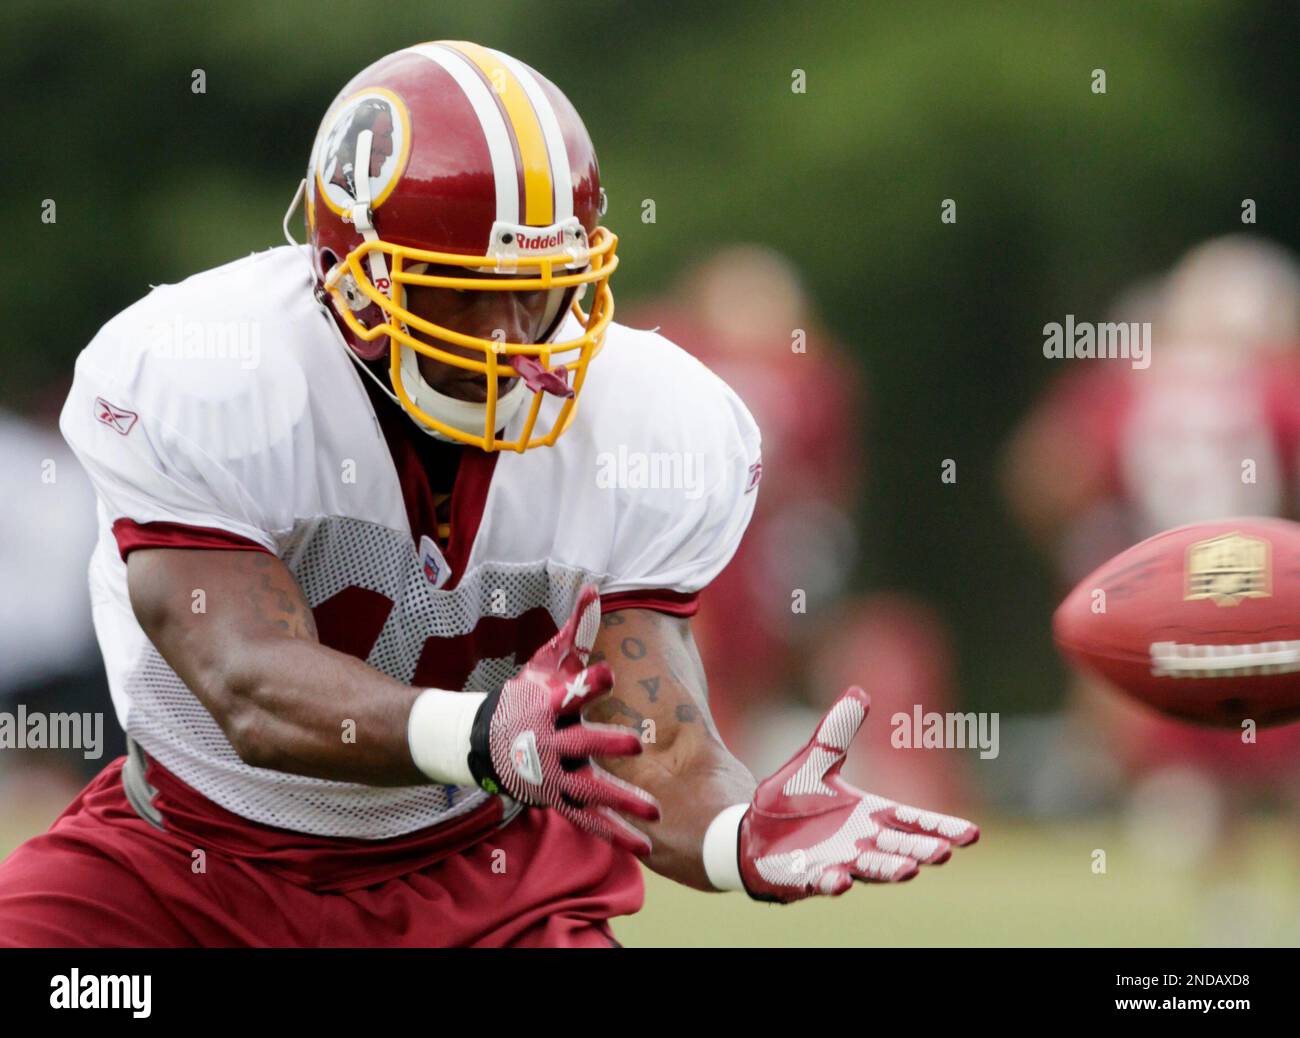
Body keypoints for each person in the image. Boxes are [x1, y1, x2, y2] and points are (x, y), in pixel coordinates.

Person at [0, 41, 976, 947]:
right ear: (353, 282)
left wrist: (733, 831)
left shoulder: (654, 422)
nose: (515, 335)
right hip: (191, 869)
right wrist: (484, 732)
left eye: (543, 286)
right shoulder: (211, 368)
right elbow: (249, 684)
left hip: (488, 890)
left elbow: (654, 739)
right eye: (465, 288)